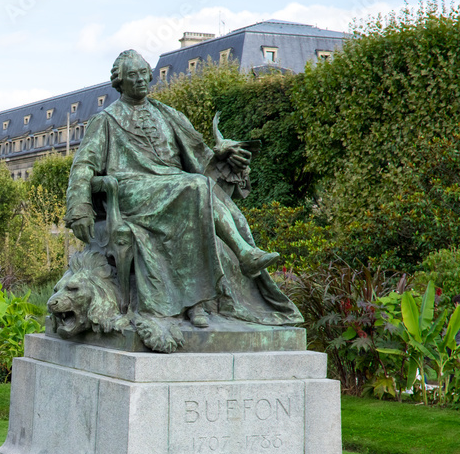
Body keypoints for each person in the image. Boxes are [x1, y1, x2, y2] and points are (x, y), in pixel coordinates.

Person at [65, 50, 301, 329]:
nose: (141, 80)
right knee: (195, 186)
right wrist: (80, 208)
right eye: (132, 76)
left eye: (144, 74)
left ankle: (199, 302)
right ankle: (241, 256)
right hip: (132, 190)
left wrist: (227, 156)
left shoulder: (169, 115)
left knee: (205, 192)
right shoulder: (105, 120)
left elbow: (202, 160)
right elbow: (83, 166)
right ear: (119, 82)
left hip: (175, 186)